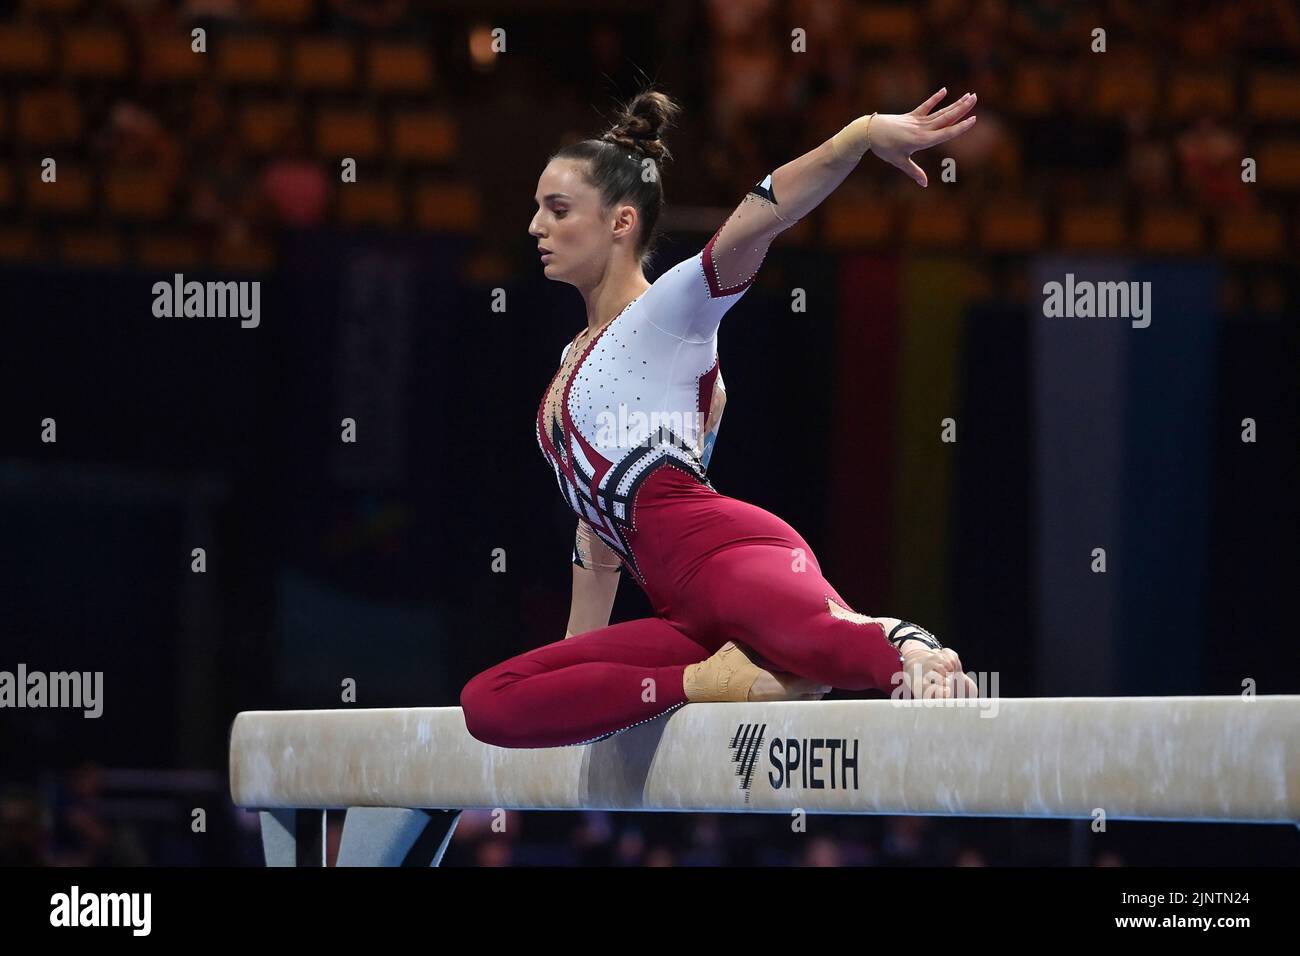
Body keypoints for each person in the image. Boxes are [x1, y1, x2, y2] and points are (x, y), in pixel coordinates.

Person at [462, 86, 980, 748]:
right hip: (683, 620)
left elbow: (759, 217)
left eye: (556, 209)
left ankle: (914, 656)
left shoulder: (670, 312)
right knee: (491, 704)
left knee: (819, 643)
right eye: (537, 208)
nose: (535, 225)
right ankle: (724, 679)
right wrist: (579, 678)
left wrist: (857, 137)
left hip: (726, 554)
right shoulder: (570, 357)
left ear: (621, 223)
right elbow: (596, 542)